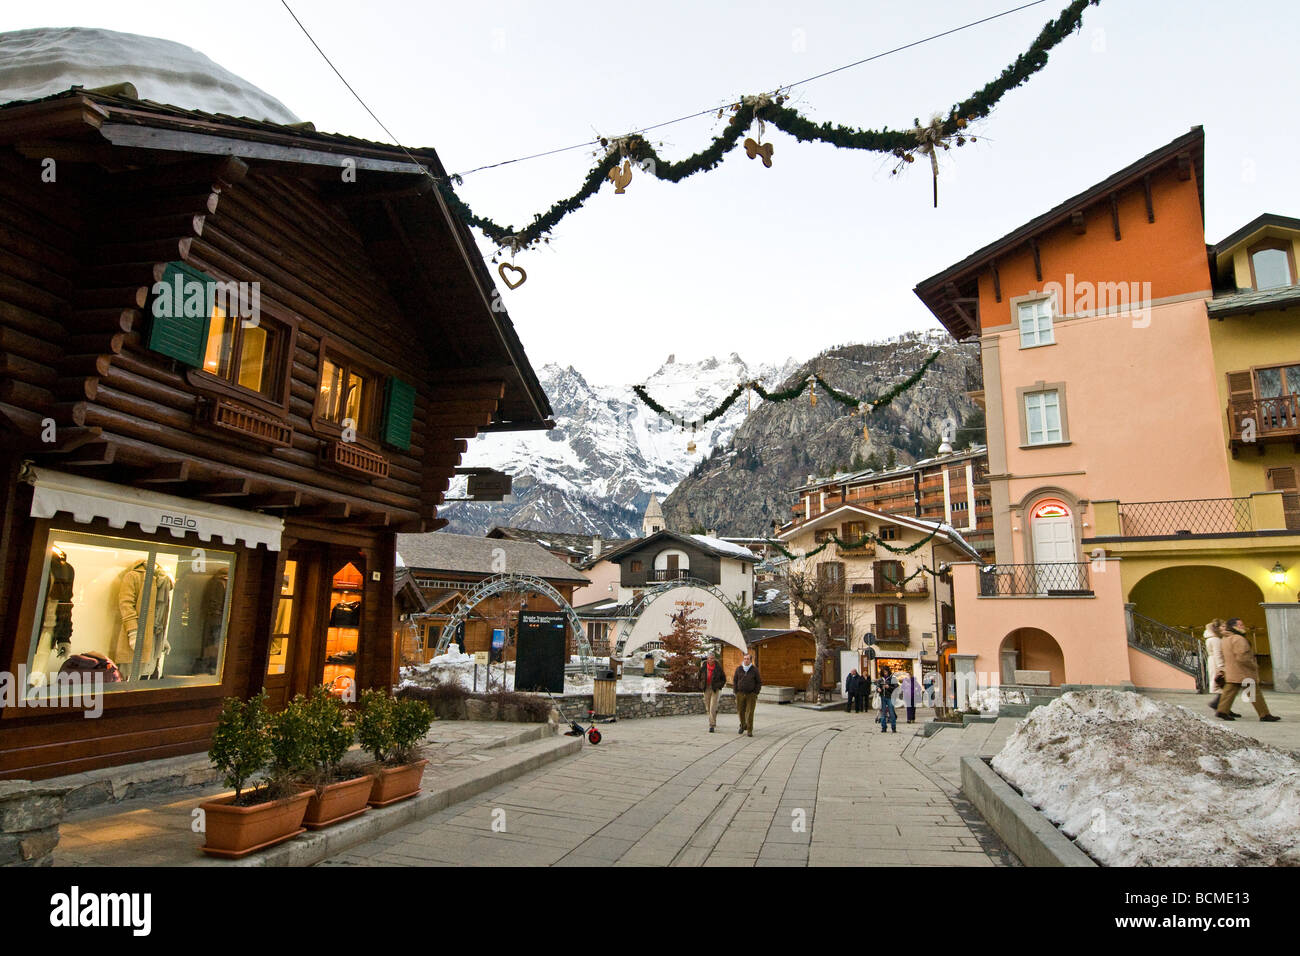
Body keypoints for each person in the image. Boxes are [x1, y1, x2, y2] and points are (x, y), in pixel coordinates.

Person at [1216, 618, 1280, 723]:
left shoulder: (1225, 639)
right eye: (1240, 625)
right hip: (1244, 671)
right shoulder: (1239, 639)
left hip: (1233, 670)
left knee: (1229, 692)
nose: (1243, 626)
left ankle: (1222, 711)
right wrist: (1253, 665)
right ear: (1233, 627)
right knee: (1254, 693)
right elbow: (1242, 656)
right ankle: (1264, 714)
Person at [1203, 619, 1239, 717]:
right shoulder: (1215, 639)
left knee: (1223, 687)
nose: (1225, 628)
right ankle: (1219, 706)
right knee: (1223, 686)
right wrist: (1221, 667)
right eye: (1222, 626)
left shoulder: (1211, 638)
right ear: (1217, 628)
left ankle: (1224, 707)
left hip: (1213, 662)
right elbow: (1218, 653)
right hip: (1216, 663)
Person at [733, 652, 762, 737]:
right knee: (740, 711)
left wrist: (755, 692)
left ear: (750, 660)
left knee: (750, 712)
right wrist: (736, 691)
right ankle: (743, 725)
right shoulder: (739, 669)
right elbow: (735, 680)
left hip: (751, 694)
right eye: (745, 659)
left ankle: (749, 730)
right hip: (740, 693)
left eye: (748, 659)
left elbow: (759, 682)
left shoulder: (754, 670)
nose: (746, 660)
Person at [699, 651, 727, 732]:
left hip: (715, 689)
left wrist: (719, 686)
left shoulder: (718, 668)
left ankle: (711, 725)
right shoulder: (703, 667)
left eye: (712, 658)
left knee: (712, 707)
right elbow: (699, 677)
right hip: (706, 688)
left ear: (714, 659)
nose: (711, 660)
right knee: (708, 707)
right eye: (709, 658)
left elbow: (723, 679)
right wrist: (701, 685)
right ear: (707, 659)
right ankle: (713, 719)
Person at [876, 666, 898, 734]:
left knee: (891, 713)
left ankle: (893, 728)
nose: (885, 673)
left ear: (888, 671)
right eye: (884, 672)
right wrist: (878, 689)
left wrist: (889, 687)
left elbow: (896, 688)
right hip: (882, 697)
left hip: (890, 697)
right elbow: (877, 687)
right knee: (883, 713)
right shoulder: (880, 680)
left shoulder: (892, 679)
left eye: (886, 671)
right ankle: (884, 727)